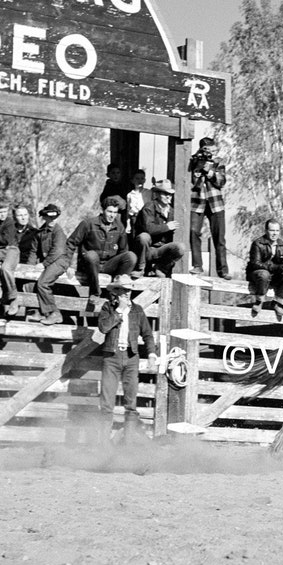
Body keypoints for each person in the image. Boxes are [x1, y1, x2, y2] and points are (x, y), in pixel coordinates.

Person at [95, 276, 157, 442]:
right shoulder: (108, 307)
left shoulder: (137, 310)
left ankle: (128, 444)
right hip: (112, 358)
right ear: (116, 292)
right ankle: (103, 445)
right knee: (107, 403)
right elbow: (103, 328)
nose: (126, 293)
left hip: (131, 358)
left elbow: (148, 334)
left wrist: (151, 354)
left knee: (131, 403)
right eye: (123, 290)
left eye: (129, 290)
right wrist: (119, 311)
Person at [67, 196, 137, 299]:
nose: (112, 215)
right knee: (91, 255)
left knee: (131, 256)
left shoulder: (119, 227)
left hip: (107, 265)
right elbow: (71, 243)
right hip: (89, 264)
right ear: (103, 210)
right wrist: (70, 266)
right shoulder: (88, 224)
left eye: (115, 212)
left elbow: (123, 250)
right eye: (109, 212)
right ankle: (95, 293)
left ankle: (114, 292)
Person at [188, 136, 229, 278]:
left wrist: (209, 171)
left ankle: (223, 270)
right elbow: (191, 181)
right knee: (193, 231)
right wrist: (197, 166)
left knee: (219, 237)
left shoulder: (218, 161)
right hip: (197, 201)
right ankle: (197, 265)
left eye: (211, 150)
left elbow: (221, 181)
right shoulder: (194, 161)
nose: (209, 153)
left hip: (215, 203)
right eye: (206, 150)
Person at [132, 180, 185, 277]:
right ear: (157, 194)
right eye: (165, 194)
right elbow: (148, 228)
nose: (168, 196)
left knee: (180, 247)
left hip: (162, 250)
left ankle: (161, 268)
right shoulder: (149, 207)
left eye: (170, 194)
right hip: (147, 250)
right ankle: (140, 268)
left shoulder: (172, 211)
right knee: (144, 237)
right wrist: (167, 227)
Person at [245, 219, 283, 319]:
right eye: (272, 230)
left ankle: (278, 303)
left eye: (277, 231)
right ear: (266, 231)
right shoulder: (257, 243)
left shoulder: (282, 245)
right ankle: (259, 301)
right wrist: (274, 267)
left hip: (275, 275)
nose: (274, 233)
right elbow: (255, 263)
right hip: (257, 273)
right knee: (264, 274)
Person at [32, 203, 69, 326]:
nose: (53, 220)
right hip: (50, 262)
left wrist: (44, 264)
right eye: (50, 217)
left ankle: (54, 313)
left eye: (55, 217)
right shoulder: (40, 232)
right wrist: (29, 267)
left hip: (59, 261)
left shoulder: (58, 231)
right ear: (44, 217)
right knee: (30, 282)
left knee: (43, 283)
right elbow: (34, 251)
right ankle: (38, 311)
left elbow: (58, 250)